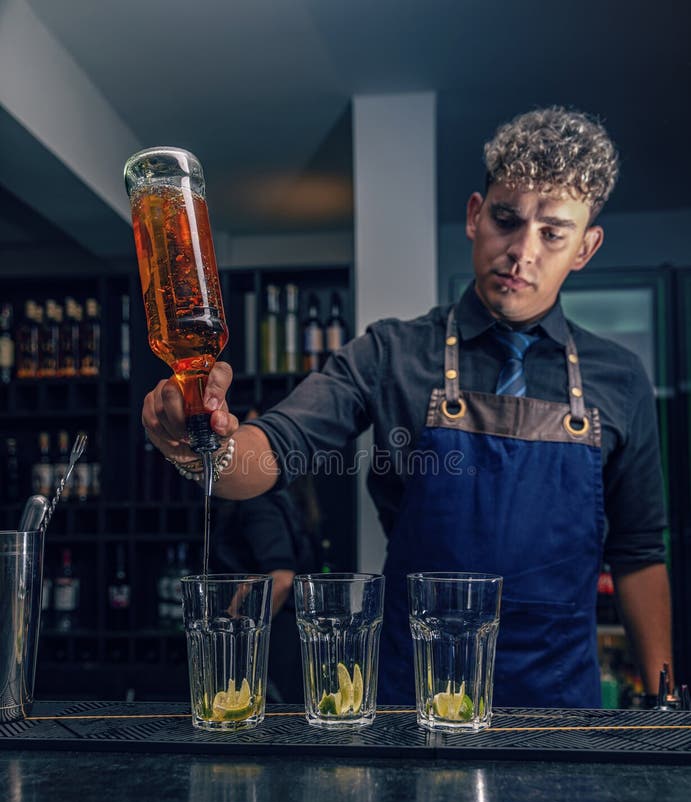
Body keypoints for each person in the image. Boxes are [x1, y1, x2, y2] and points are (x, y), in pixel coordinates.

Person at [143, 106, 673, 708]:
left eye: (553, 232)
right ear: (476, 216)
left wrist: (664, 702)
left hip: (557, 704)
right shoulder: (390, 352)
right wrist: (204, 445)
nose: (522, 252)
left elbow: (638, 555)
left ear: (585, 247)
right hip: (413, 694)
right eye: (506, 219)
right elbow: (273, 450)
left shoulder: (621, 378)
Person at [211, 475, 322, 704]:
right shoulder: (287, 499)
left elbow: (281, 578)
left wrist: (240, 635)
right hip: (291, 632)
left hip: (274, 639)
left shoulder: (258, 502)